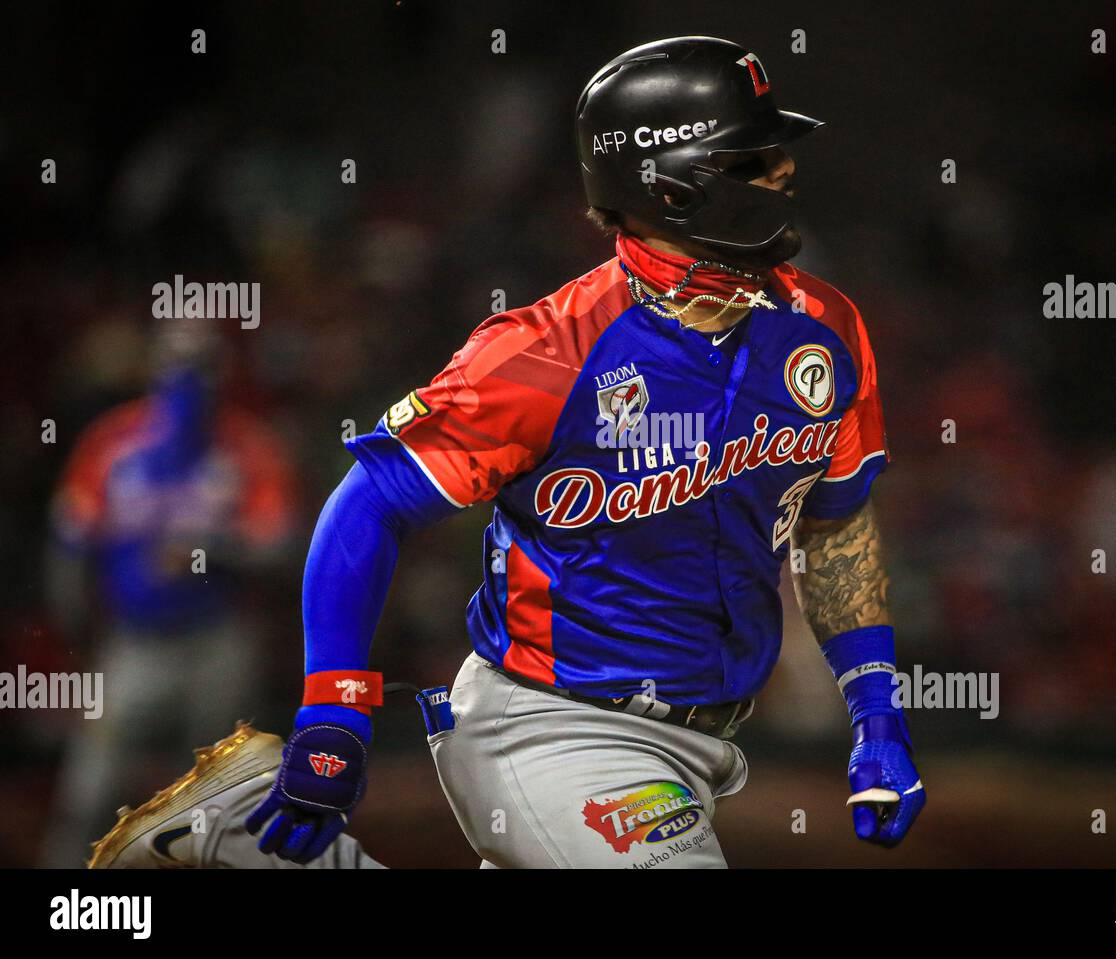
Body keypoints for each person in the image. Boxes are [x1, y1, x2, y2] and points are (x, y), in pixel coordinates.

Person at [89, 36, 924, 871]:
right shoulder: (543, 354)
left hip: (702, 741)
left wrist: (877, 713)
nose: (783, 171)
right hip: (553, 724)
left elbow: (835, 523)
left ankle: (243, 849)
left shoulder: (826, 328)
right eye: (755, 156)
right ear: (672, 187)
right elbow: (371, 500)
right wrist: (335, 705)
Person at [43, 317, 297, 866]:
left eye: (202, 365)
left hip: (218, 639)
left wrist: (212, 545)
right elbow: (71, 538)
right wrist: (76, 625)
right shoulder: (114, 443)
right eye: (179, 363)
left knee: (225, 797)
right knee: (90, 792)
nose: (189, 378)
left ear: (222, 374)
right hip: (135, 641)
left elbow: (279, 543)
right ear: (154, 368)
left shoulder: (246, 445)